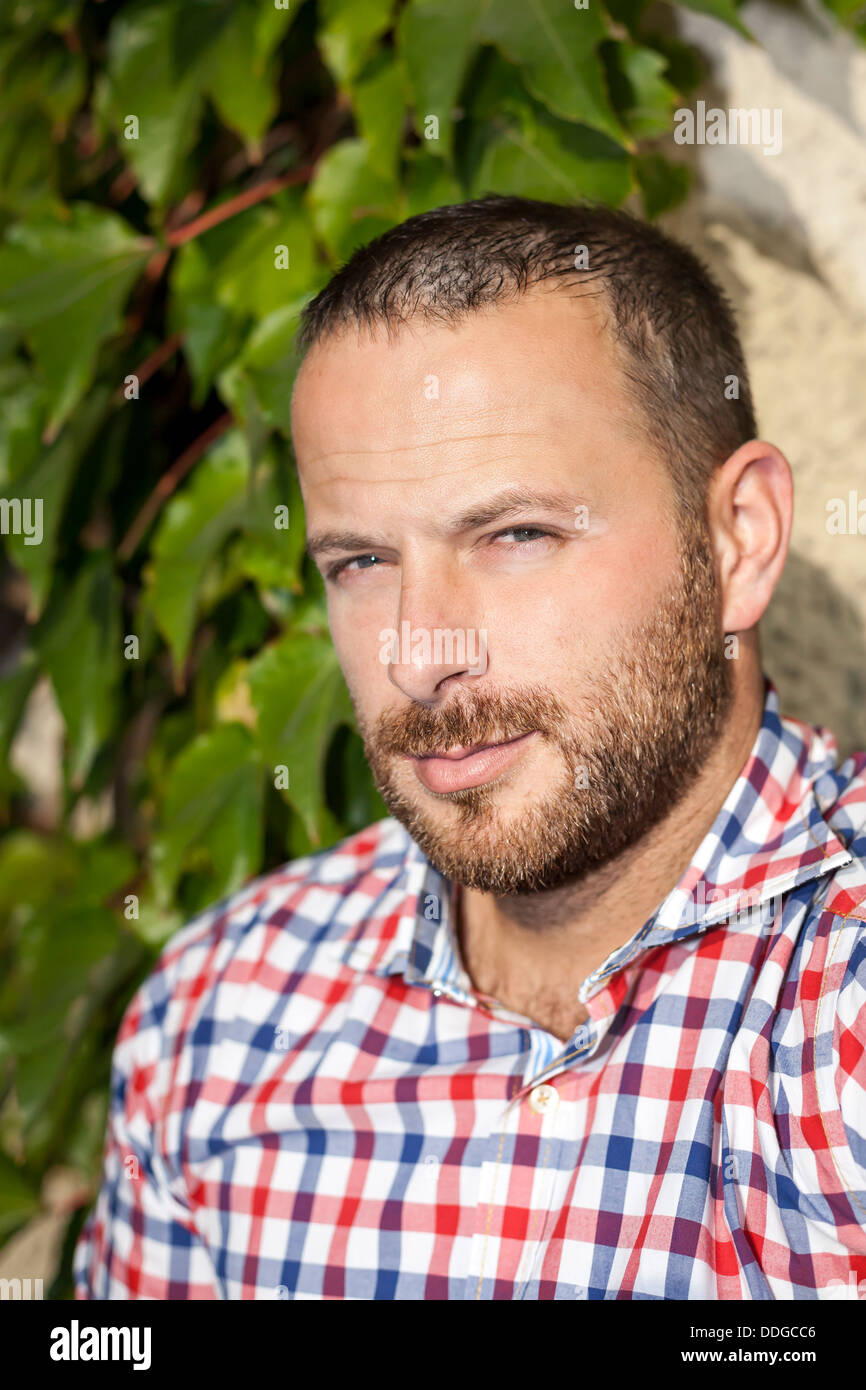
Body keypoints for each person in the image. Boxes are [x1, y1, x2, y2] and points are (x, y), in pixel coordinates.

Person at [75, 196, 866, 1300]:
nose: (417, 653)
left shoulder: (832, 1018)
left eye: (512, 535)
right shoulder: (219, 1018)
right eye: (358, 562)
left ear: (738, 539)